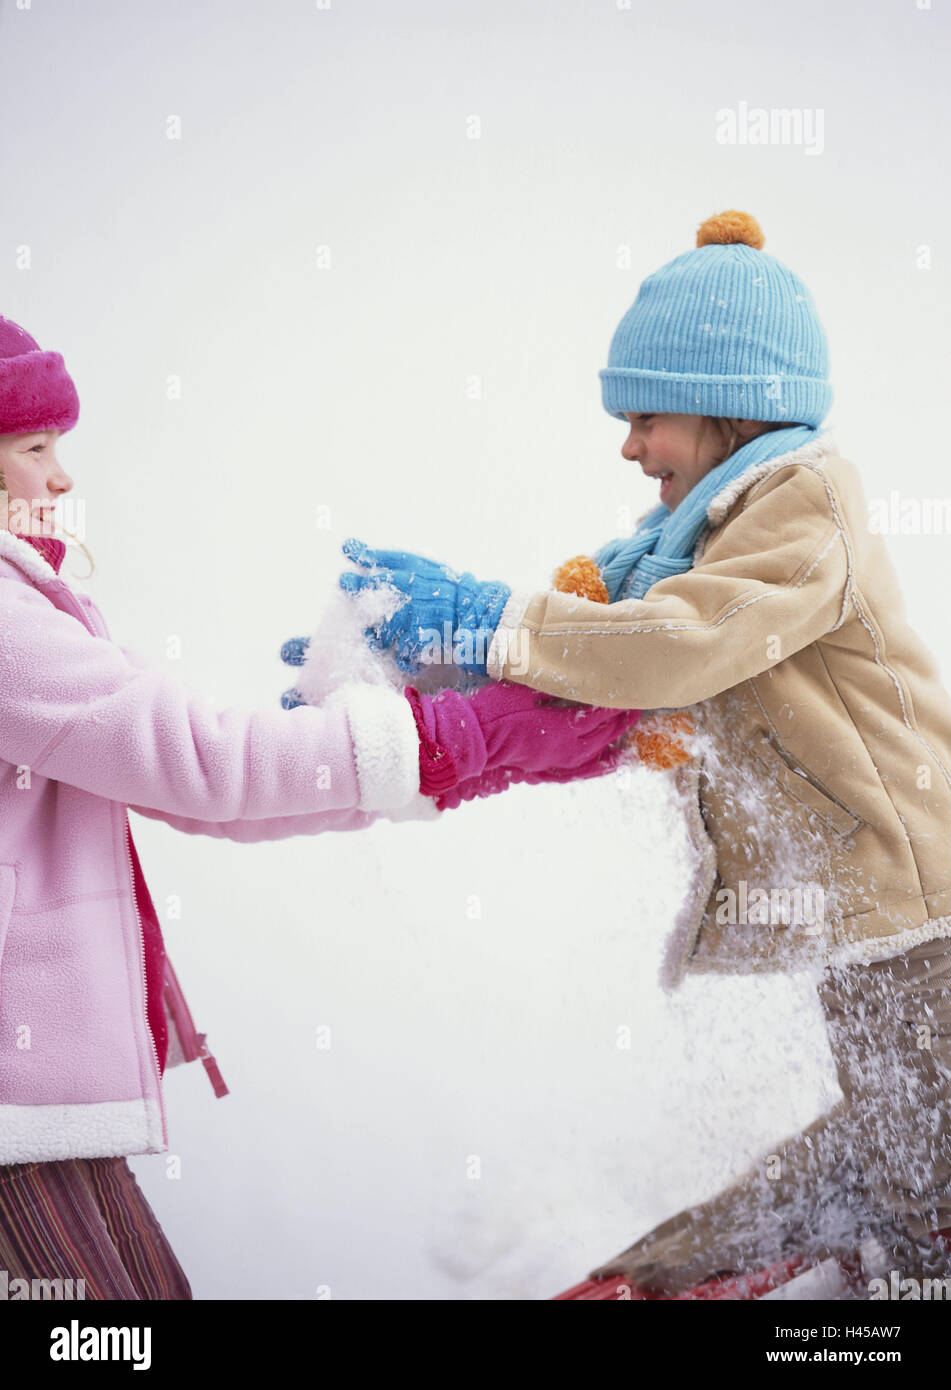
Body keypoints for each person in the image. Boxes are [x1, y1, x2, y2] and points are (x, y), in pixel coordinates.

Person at [338, 210, 951, 1298]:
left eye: (646, 416)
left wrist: (491, 618)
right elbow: (615, 660)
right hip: (883, 939)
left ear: (727, 410)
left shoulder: (808, 504)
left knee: (924, 1201)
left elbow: (674, 646)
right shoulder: (709, 536)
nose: (628, 447)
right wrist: (431, 671)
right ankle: (673, 1272)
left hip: (928, 928)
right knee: (890, 1157)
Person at [0, 312, 638, 1300]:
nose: (62, 477)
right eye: (36, 447)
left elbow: (206, 790)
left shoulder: (31, 610)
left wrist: (451, 752)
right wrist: (454, 738)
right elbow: (201, 762)